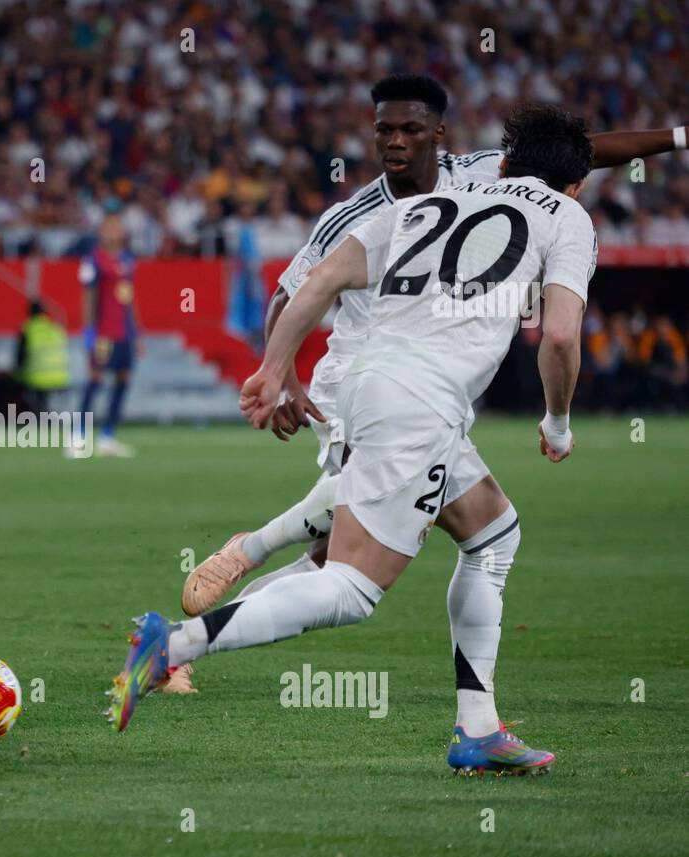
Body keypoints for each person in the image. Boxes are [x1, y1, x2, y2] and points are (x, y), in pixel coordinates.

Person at [111, 104, 598, 776]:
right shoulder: (568, 216)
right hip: (421, 404)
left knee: (493, 535)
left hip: (370, 383)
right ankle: (175, 646)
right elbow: (564, 335)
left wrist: (273, 367)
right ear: (574, 186)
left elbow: (321, 282)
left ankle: (478, 728)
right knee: (350, 588)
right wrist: (557, 422)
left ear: (506, 163)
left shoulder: (431, 201)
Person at [182, 74, 689, 619]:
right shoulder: (349, 216)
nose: (394, 142)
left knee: (348, 556)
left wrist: (679, 137)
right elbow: (294, 295)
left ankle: (205, 615)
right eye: (384, 131)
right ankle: (236, 570)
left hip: (432, 374)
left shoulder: (477, 175)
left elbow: (579, 156)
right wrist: (284, 380)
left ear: (437, 132)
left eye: (409, 129)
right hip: (359, 374)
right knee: (367, 553)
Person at [73, 215, 137, 458]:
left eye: (118, 226)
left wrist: (136, 332)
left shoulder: (127, 261)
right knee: (95, 380)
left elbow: (129, 298)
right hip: (103, 333)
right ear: (102, 232)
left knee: (123, 381)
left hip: (124, 332)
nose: (114, 231)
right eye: (109, 227)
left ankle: (107, 437)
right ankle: (78, 436)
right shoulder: (93, 261)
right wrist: (89, 329)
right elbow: (89, 297)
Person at [14, 299, 70, 415]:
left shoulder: (28, 329)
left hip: (37, 377)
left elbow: (20, 357)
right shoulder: (55, 328)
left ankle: (28, 416)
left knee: (18, 382)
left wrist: (17, 374)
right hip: (60, 376)